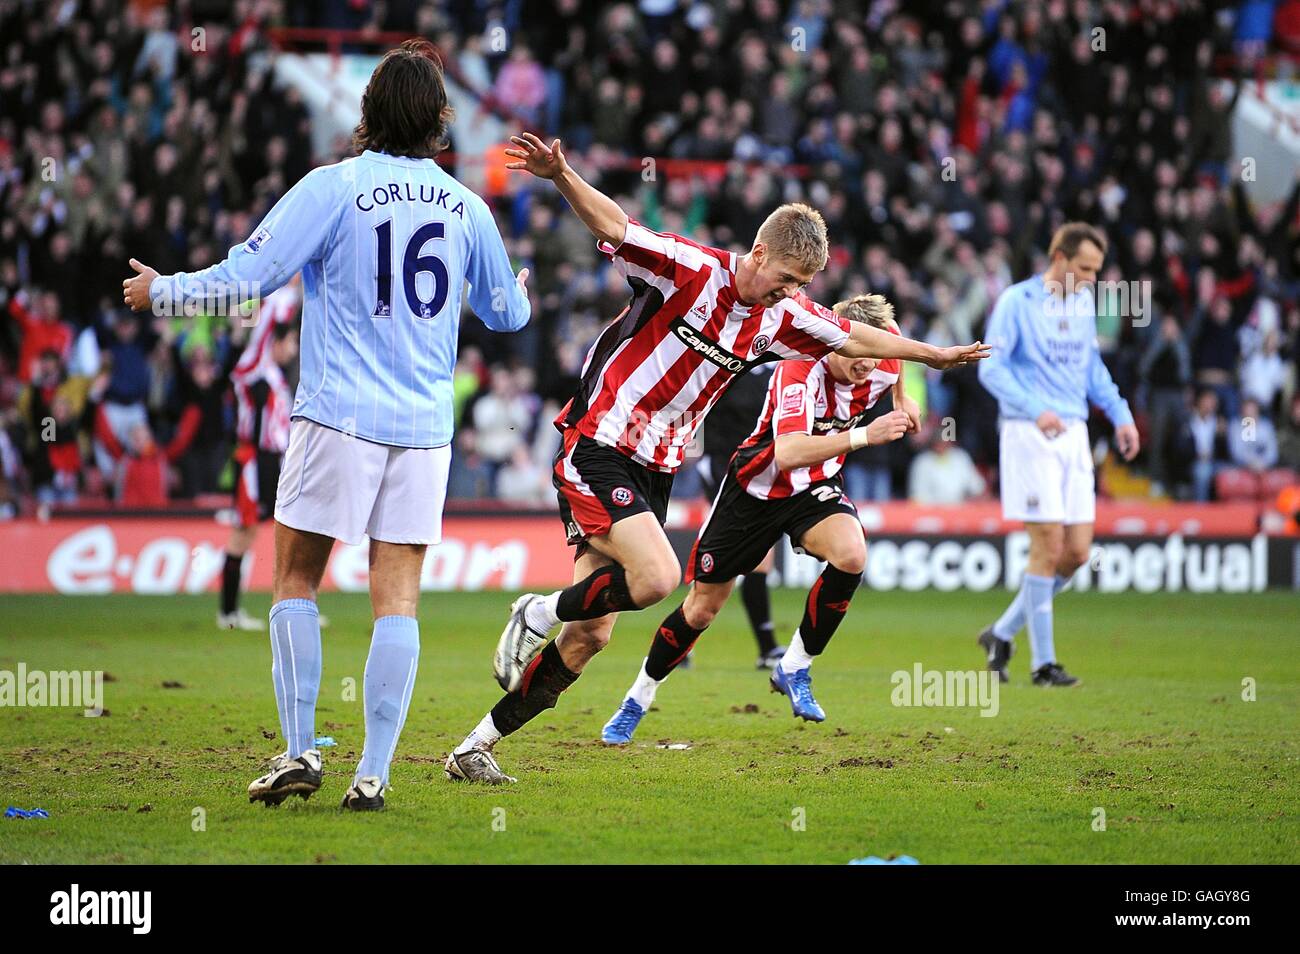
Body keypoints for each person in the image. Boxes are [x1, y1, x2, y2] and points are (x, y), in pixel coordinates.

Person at [445, 132, 988, 784]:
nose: (790, 294)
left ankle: (475, 746)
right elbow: (616, 223)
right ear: (758, 253)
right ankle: (534, 612)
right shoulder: (690, 268)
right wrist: (561, 174)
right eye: (787, 279)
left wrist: (934, 357)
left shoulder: (781, 316)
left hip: (658, 465)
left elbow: (856, 331)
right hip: (602, 441)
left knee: (592, 635)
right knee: (655, 580)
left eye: (803, 285)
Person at [122, 40, 530, 811]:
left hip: (338, 416)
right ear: (439, 122)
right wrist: (525, 288)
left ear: (369, 112)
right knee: (398, 598)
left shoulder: (334, 187)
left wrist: (164, 291)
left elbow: (248, 278)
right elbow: (507, 315)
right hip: (423, 429)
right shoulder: (469, 205)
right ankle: (372, 774)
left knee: (295, 579)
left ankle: (301, 748)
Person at [600, 294, 915, 742]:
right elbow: (788, 453)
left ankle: (794, 668)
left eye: (874, 353)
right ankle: (638, 698)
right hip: (755, 490)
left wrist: (906, 401)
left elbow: (899, 353)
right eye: (856, 353)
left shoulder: (884, 354)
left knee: (851, 554)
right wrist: (865, 435)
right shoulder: (800, 369)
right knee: (702, 608)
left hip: (813, 488)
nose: (867, 364)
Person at [976, 222, 1139, 687]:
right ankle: (1043, 664)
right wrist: (1033, 408)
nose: (1092, 278)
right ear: (1060, 258)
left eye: (1097, 270)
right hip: (1029, 433)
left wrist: (1121, 414)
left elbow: (1091, 369)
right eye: (1085, 268)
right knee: (1047, 546)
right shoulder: (1016, 302)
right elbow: (990, 366)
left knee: (1077, 553)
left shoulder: (1084, 304)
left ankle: (1002, 633)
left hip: (1074, 435)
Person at [217, 302, 299, 632]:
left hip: (275, 460)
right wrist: (284, 290)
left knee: (291, 526)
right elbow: (264, 326)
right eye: (290, 341)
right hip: (253, 461)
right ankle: (228, 613)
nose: (293, 349)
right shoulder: (256, 367)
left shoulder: (276, 377)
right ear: (275, 342)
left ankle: (294, 607)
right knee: (245, 531)